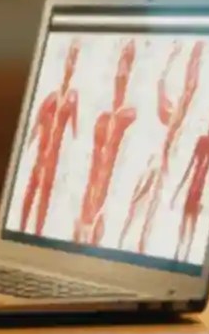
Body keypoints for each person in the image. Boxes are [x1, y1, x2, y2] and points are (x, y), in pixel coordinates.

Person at [119, 40, 203, 254]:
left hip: (162, 169)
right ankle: (124, 243)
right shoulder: (165, 110)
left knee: (148, 212)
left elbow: (186, 86)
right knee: (138, 209)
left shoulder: (176, 112)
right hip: (155, 164)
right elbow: (165, 83)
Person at [73, 38, 138, 246]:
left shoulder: (131, 116)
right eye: (119, 65)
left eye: (126, 64)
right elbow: (90, 162)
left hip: (109, 202)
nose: (120, 73)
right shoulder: (102, 117)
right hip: (88, 200)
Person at [18, 39, 81, 236]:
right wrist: (25, 153)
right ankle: (21, 230)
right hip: (40, 157)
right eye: (70, 57)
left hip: (53, 159)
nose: (71, 63)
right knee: (32, 191)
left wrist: (70, 168)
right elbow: (34, 129)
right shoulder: (51, 97)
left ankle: (36, 233)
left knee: (44, 195)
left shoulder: (73, 97)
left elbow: (75, 132)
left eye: (75, 58)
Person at [172, 101, 209, 262]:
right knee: (184, 221)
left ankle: (185, 253)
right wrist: (177, 191)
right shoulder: (202, 140)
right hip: (192, 188)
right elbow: (190, 166)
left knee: (192, 224)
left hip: (200, 190)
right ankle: (178, 251)